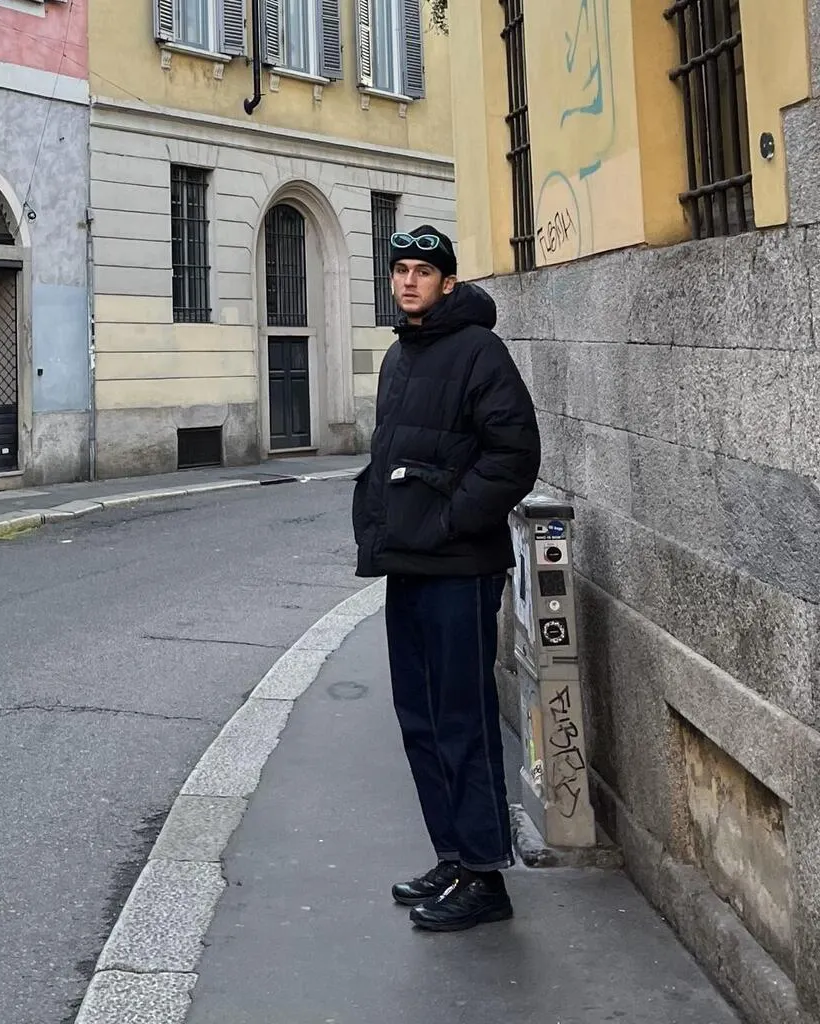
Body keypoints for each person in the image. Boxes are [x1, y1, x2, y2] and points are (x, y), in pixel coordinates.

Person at [352, 225, 541, 932]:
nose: (407, 282)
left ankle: (487, 874)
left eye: (422, 272)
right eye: (399, 270)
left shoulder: (479, 352)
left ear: (448, 283)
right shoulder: (401, 356)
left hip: (459, 567)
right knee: (420, 719)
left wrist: (449, 522)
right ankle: (454, 854)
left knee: (462, 719)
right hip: (408, 565)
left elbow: (515, 452)